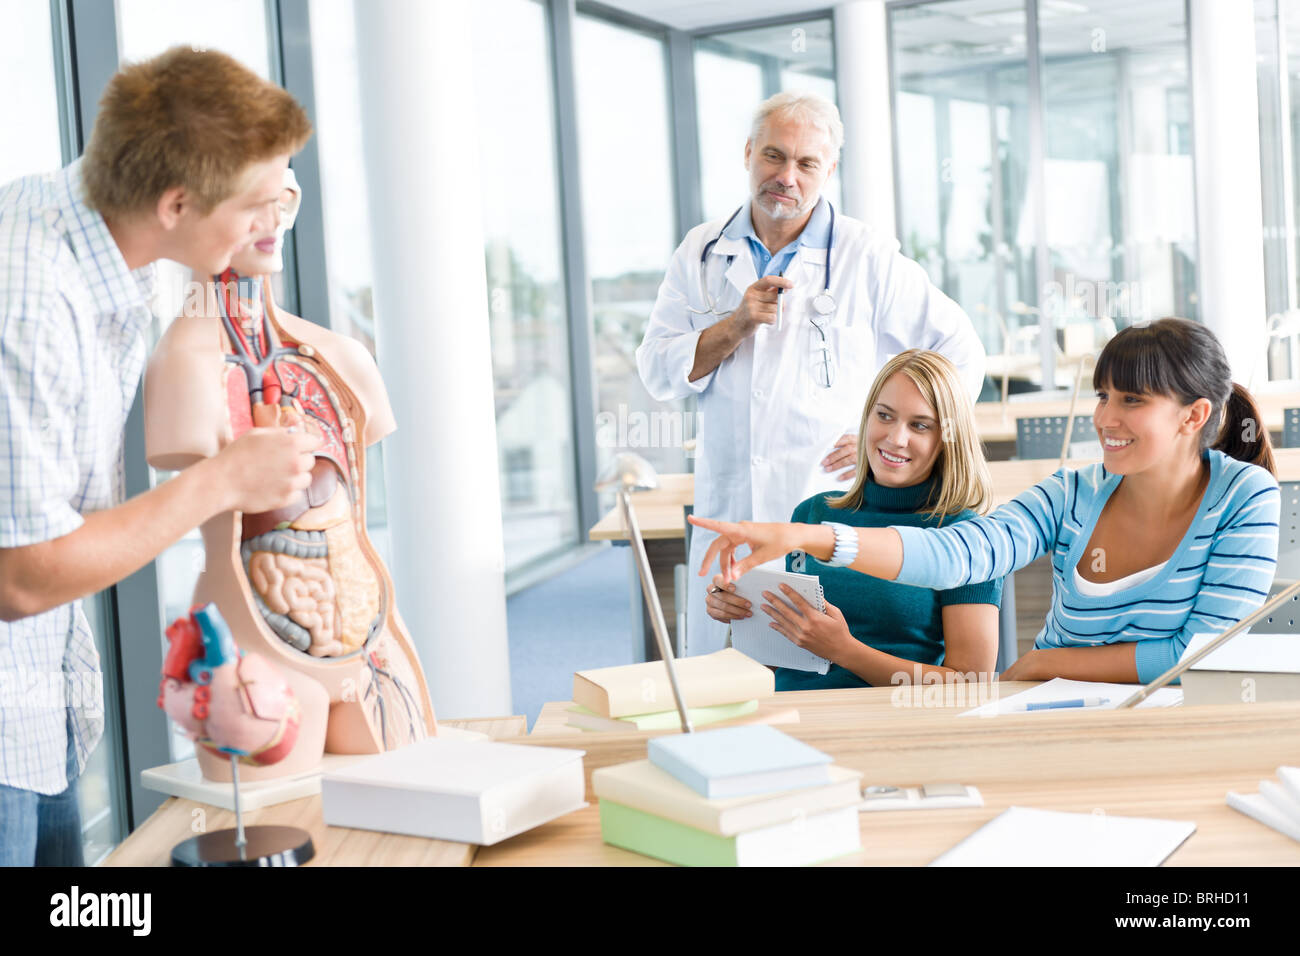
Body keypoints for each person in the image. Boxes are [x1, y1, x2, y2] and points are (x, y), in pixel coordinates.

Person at [0, 47, 316, 866]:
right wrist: (220, 482)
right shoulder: (26, 296)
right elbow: (21, 575)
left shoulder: (111, 254)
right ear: (175, 202)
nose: (267, 224)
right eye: (254, 205)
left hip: (41, 716)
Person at [690, 318, 1280, 686]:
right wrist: (807, 536)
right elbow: (957, 555)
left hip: (1162, 713)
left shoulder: (1244, 496)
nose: (1105, 418)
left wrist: (1048, 663)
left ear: (1193, 415)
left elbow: (1201, 655)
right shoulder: (1071, 492)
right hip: (1052, 711)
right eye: (1103, 396)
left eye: (1131, 400)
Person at [636, 91, 986, 657]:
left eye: (807, 164)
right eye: (774, 156)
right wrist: (735, 325)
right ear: (749, 152)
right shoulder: (701, 251)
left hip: (824, 504)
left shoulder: (865, 256)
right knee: (730, 679)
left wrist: (883, 438)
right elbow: (657, 370)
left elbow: (961, 349)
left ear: (829, 171)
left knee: (821, 665)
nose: (787, 177)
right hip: (732, 502)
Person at [704, 350, 1003, 689]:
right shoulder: (812, 514)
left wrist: (846, 652)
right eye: (885, 416)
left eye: (919, 425)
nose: (895, 438)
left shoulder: (968, 537)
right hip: (792, 713)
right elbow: (789, 656)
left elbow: (970, 683)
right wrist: (743, 614)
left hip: (885, 724)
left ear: (948, 438)